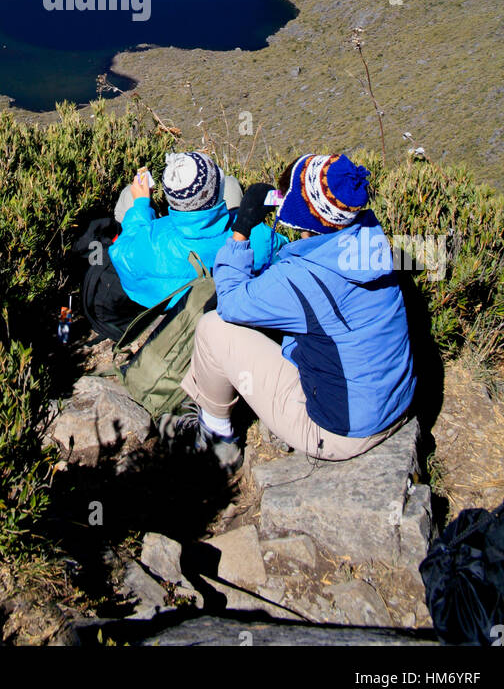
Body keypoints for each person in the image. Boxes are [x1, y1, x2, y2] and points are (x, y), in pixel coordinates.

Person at [160, 153, 417, 467]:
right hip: (395, 404)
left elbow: (230, 303)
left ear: (301, 213)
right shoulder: (370, 239)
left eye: (289, 194)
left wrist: (241, 231)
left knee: (212, 328)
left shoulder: (302, 278)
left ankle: (216, 440)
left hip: (338, 431)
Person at [81, 151, 285, 342]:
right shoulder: (259, 237)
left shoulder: (142, 244)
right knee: (232, 183)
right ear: (217, 193)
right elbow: (282, 252)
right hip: (216, 305)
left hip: (161, 301)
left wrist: (142, 204)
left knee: (129, 194)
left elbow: (122, 249)